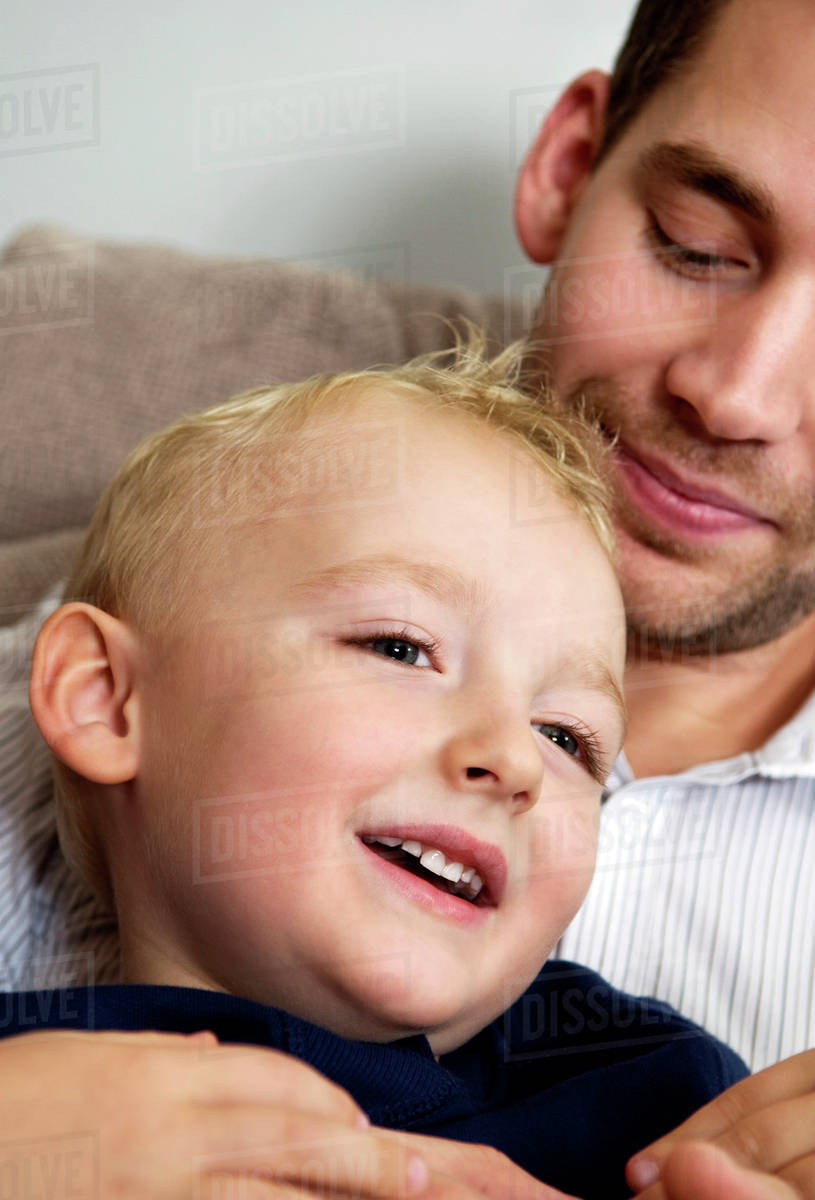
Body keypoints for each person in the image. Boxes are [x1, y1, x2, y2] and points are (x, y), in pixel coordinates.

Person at [1, 0, 813, 1196]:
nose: (737, 394)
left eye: (572, 737)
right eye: (693, 244)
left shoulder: (651, 1097)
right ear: (567, 168)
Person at [14, 341, 744, 1200]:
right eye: (401, 647)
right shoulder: (25, 1093)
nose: (514, 760)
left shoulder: (649, 1102)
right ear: (106, 699)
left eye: (568, 738)